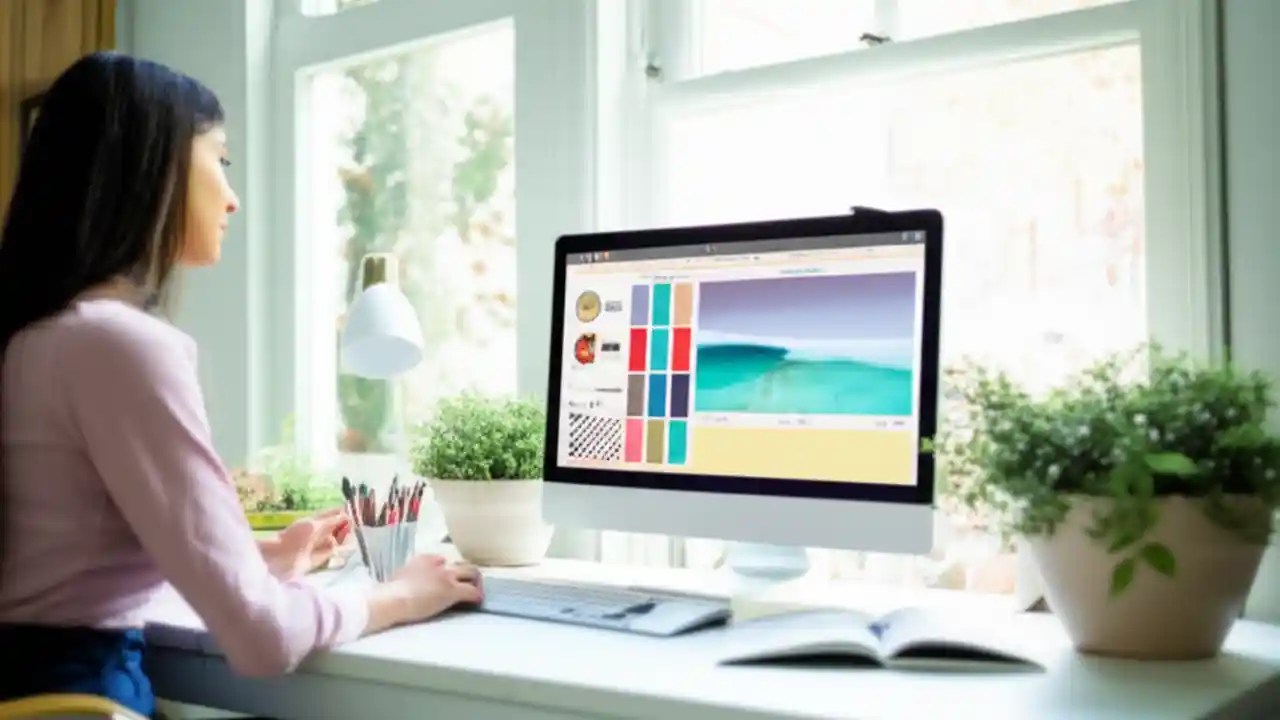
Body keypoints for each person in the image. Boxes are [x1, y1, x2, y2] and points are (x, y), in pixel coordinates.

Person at [0, 52, 483, 718]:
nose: (232, 197)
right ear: (157, 169)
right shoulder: (118, 345)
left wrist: (256, 561)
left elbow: (66, 561)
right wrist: (396, 598)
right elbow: (262, 639)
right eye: (220, 162)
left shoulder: (33, 336)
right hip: (77, 699)